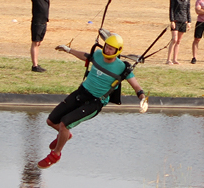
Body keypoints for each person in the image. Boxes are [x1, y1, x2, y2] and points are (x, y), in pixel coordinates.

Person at [41, 33, 147, 169]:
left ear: (118, 51)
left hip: (95, 102)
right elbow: (85, 56)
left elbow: (136, 86)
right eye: (106, 47)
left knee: (64, 124)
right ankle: (65, 135)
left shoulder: (122, 68)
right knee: (51, 121)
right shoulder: (97, 54)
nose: (107, 50)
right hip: (81, 93)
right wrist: (68, 50)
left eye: (111, 49)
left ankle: (55, 154)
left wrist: (143, 99)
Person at [29, 0, 59, 72]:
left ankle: (36, 63)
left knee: (39, 43)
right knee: (35, 43)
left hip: (44, 22)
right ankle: (34, 65)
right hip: (37, 22)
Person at [167, 0, 191, 65]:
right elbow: (171, 10)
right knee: (174, 39)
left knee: (178, 41)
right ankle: (168, 59)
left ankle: (175, 59)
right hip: (176, 21)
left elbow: (188, 11)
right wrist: (172, 21)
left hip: (183, 21)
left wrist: (189, 21)